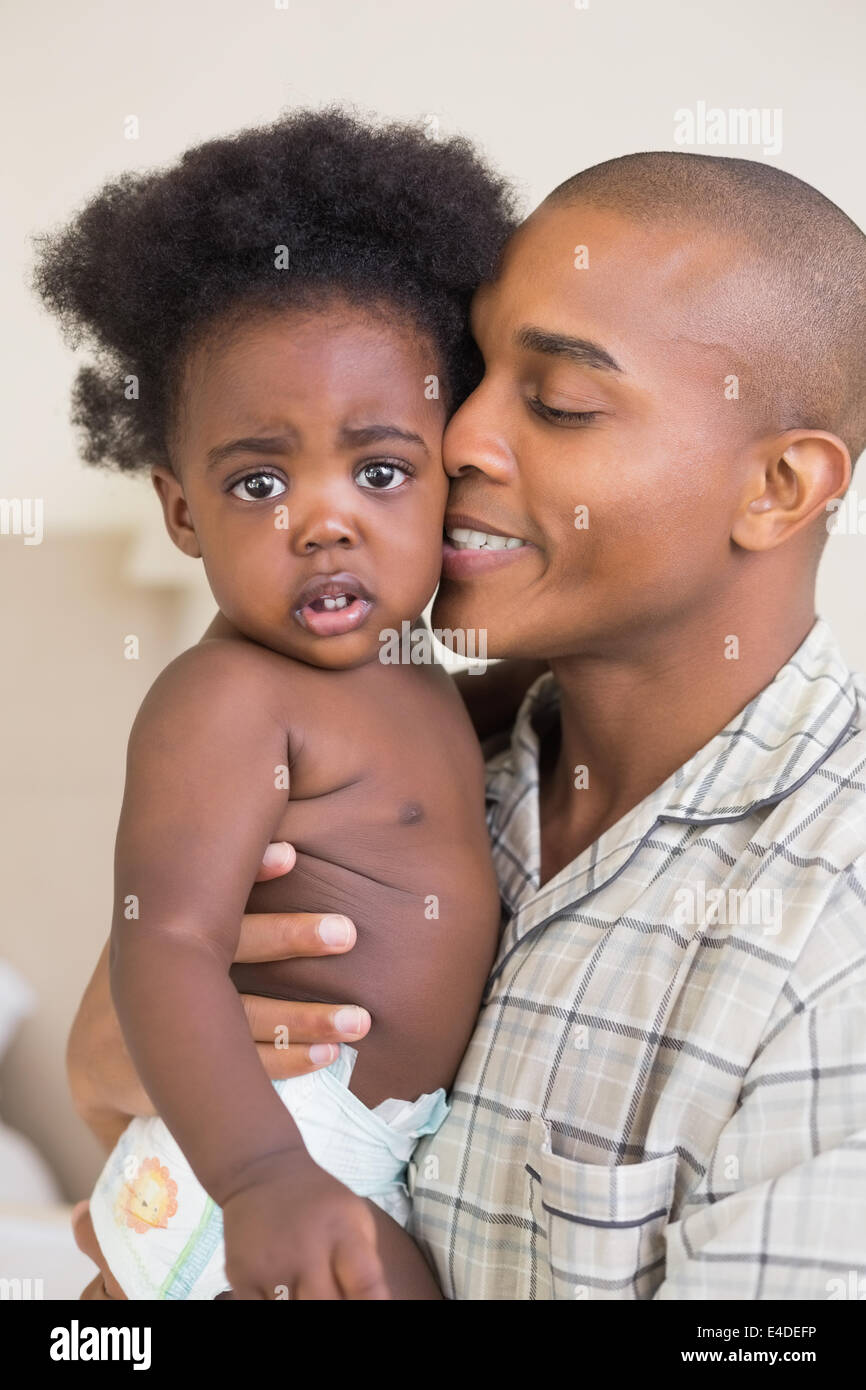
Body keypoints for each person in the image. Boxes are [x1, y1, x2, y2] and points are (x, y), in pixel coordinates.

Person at [69, 151, 866, 1300]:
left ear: (779, 488)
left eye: (556, 401)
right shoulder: (445, 741)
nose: (460, 440)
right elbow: (138, 1026)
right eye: (467, 372)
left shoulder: (824, 935)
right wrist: (115, 1072)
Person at [32, 108, 515, 1299]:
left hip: (363, 1150)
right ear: (182, 512)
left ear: (447, 473)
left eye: (380, 468)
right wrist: (258, 1179)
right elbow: (166, 944)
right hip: (266, 1155)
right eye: (259, 479)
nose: (323, 516)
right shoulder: (225, 696)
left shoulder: (429, 667)